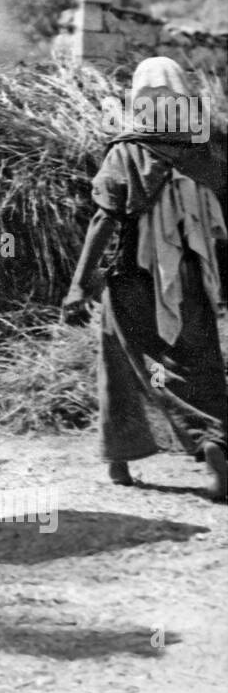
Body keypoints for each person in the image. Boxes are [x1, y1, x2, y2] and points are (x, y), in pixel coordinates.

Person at [62, 55, 227, 500]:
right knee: (198, 363)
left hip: (135, 274)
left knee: (118, 356)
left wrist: (79, 286)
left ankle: (119, 458)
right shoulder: (206, 149)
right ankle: (214, 450)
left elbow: (104, 220)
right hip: (193, 273)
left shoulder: (129, 149)